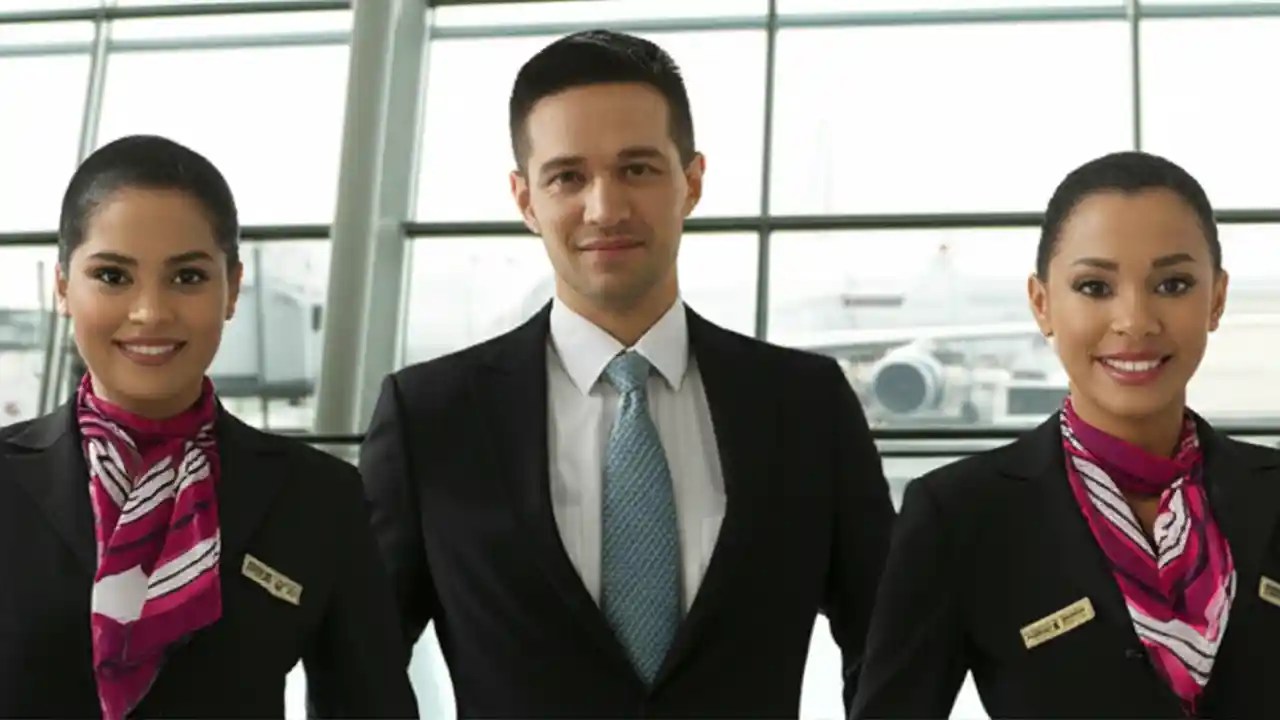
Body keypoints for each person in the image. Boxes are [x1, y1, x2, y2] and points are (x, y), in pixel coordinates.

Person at [361, 29, 895, 718]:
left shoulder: (806, 406)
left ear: (691, 182)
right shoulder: (428, 418)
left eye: (637, 168)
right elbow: (361, 664)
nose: (605, 208)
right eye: (568, 177)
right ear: (526, 199)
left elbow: (888, 645)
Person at [850, 150, 1280, 719]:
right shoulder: (961, 515)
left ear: (1217, 299)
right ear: (1042, 303)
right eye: (1095, 287)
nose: (1135, 321)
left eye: (1172, 284)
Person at [0, 134, 418, 719]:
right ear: (64, 286)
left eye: (188, 277)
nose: (150, 312)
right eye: (113, 277)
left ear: (232, 288)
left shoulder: (318, 499)